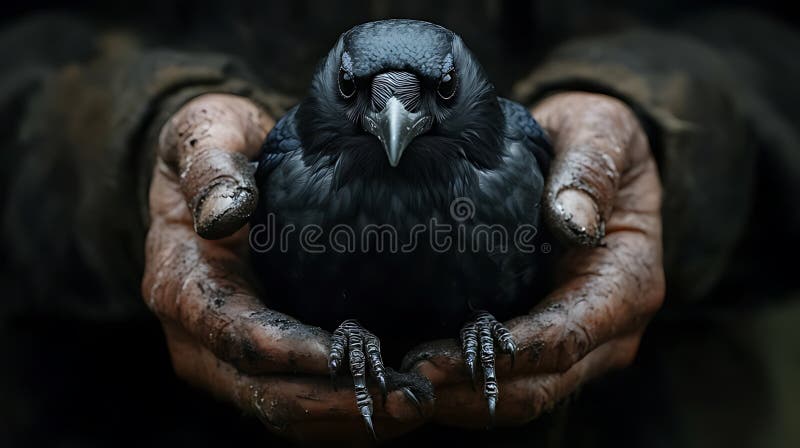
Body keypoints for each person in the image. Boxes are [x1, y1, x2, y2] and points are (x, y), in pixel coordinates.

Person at [1, 2, 798, 447]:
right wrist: (126, 148)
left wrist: (672, 143)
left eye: (428, 96)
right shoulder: (283, 163)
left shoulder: (523, 152)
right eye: (365, 97)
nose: (393, 119)